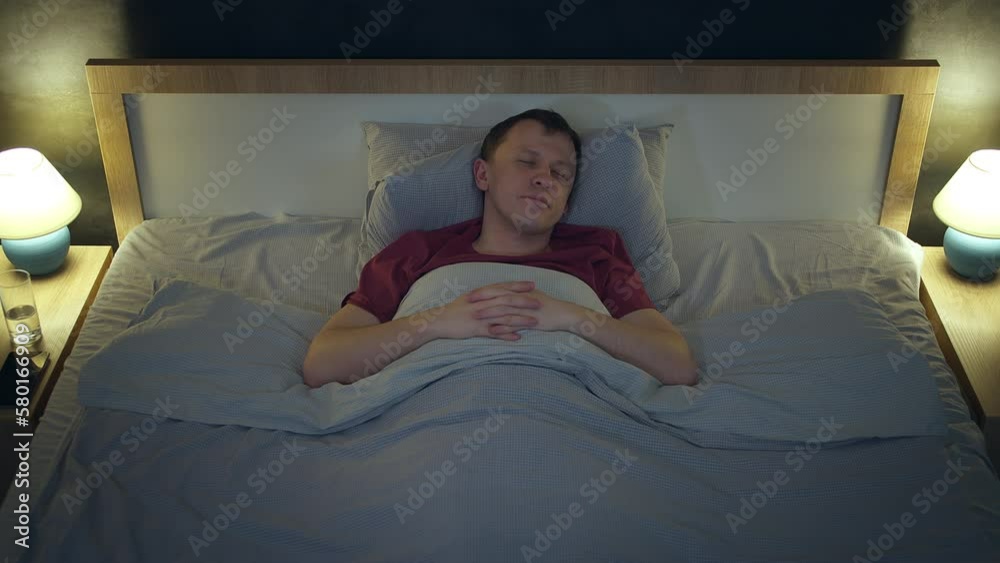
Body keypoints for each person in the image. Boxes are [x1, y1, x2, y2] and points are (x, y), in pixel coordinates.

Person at [303, 109, 697, 388]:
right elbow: (323, 365)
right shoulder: (415, 252)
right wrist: (436, 323)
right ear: (482, 174)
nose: (546, 179)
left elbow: (677, 367)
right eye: (528, 162)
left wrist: (572, 318)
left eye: (561, 174)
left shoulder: (598, 253)